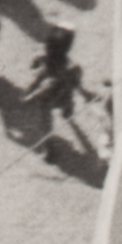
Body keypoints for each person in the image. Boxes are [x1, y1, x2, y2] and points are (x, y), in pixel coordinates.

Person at [27, 27, 94, 162]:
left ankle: (50, 148)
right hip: (63, 95)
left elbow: (36, 75)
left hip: (47, 99)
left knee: (45, 122)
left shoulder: (45, 60)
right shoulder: (73, 68)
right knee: (67, 104)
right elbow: (77, 85)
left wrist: (30, 92)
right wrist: (85, 94)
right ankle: (67, 112)